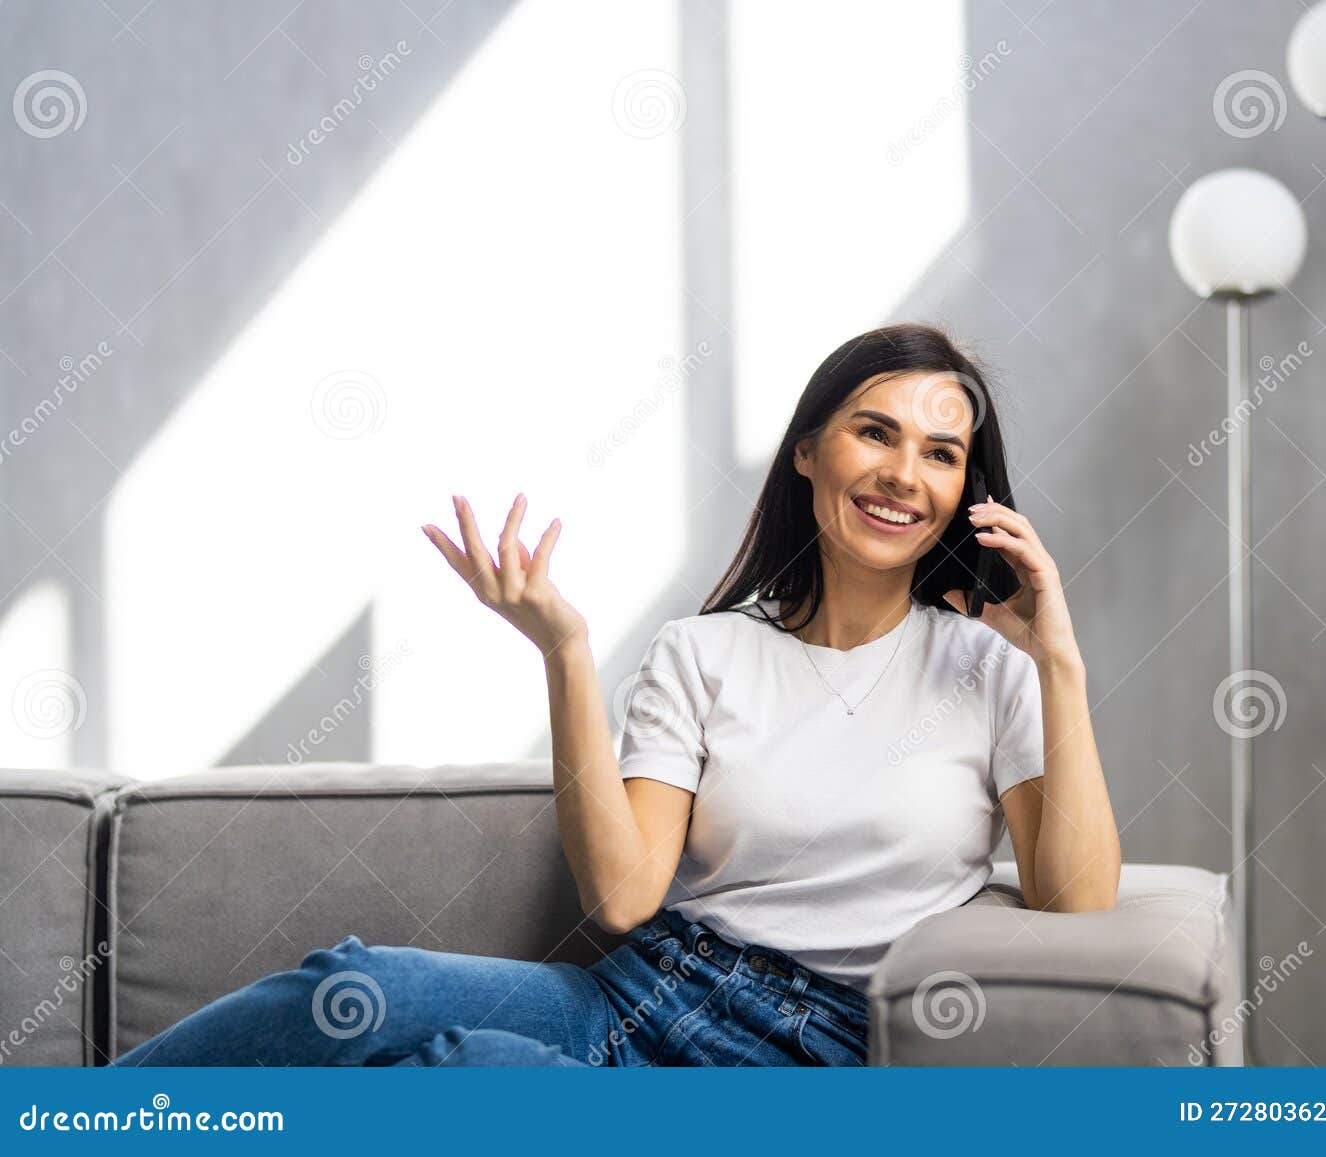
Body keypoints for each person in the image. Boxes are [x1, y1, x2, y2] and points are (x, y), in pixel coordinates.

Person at [112, 323, 1119, 1068]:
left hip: (804, 1054)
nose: (903, 473)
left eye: (940, 453)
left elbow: (1077, 895)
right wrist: (565, 649)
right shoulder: (702, 652)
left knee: (475, 1072)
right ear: (809, 449)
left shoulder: (992, 669)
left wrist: (1060, 660)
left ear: (965, 490)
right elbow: (626, 895)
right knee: (353, 989)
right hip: (635, 993)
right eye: (874, 432)